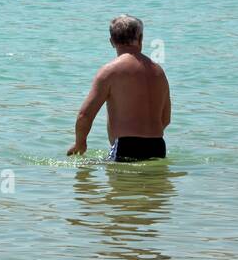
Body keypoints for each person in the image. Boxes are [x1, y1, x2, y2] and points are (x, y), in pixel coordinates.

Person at [67, 15, 170, 162]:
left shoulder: (110, 71)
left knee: (116, 182)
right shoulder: (158, 72)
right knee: (155, 185)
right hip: (158, 146)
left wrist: (80, 143)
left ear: (112, 42)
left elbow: (85, 115)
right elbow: (165, 119)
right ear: (140, 39)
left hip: (125, 146)